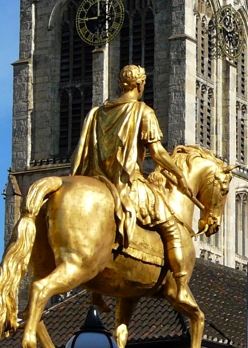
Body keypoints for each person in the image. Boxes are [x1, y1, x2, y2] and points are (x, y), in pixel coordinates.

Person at [70, 64, 194, 273]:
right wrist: (179, 174)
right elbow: (157, 153)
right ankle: (180, 281)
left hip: (95, 179)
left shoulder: (97, 113)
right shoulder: (143, 112)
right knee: (171, 221)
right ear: (139, 84)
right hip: (126, 182)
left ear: (121, 84)